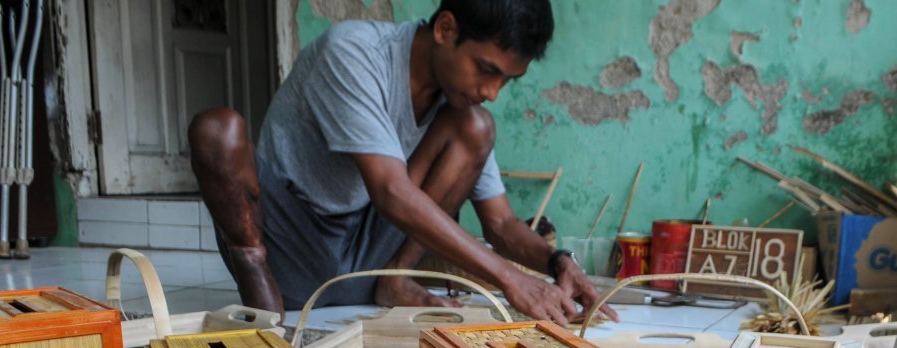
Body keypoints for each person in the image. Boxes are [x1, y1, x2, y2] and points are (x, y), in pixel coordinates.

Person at [188, 0, 617, 323]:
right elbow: (391, 191)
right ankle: (264, 311)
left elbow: (502, 225)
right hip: (289, 252)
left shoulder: (458, 106)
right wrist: (510, 279)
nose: (492, 91)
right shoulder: (354, 53)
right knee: (216, 130)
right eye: (485, 69)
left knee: (477, 127)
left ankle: (394, 281)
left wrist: (558, 262)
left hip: (363, 257)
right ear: (446, 29)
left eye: (505, 79)